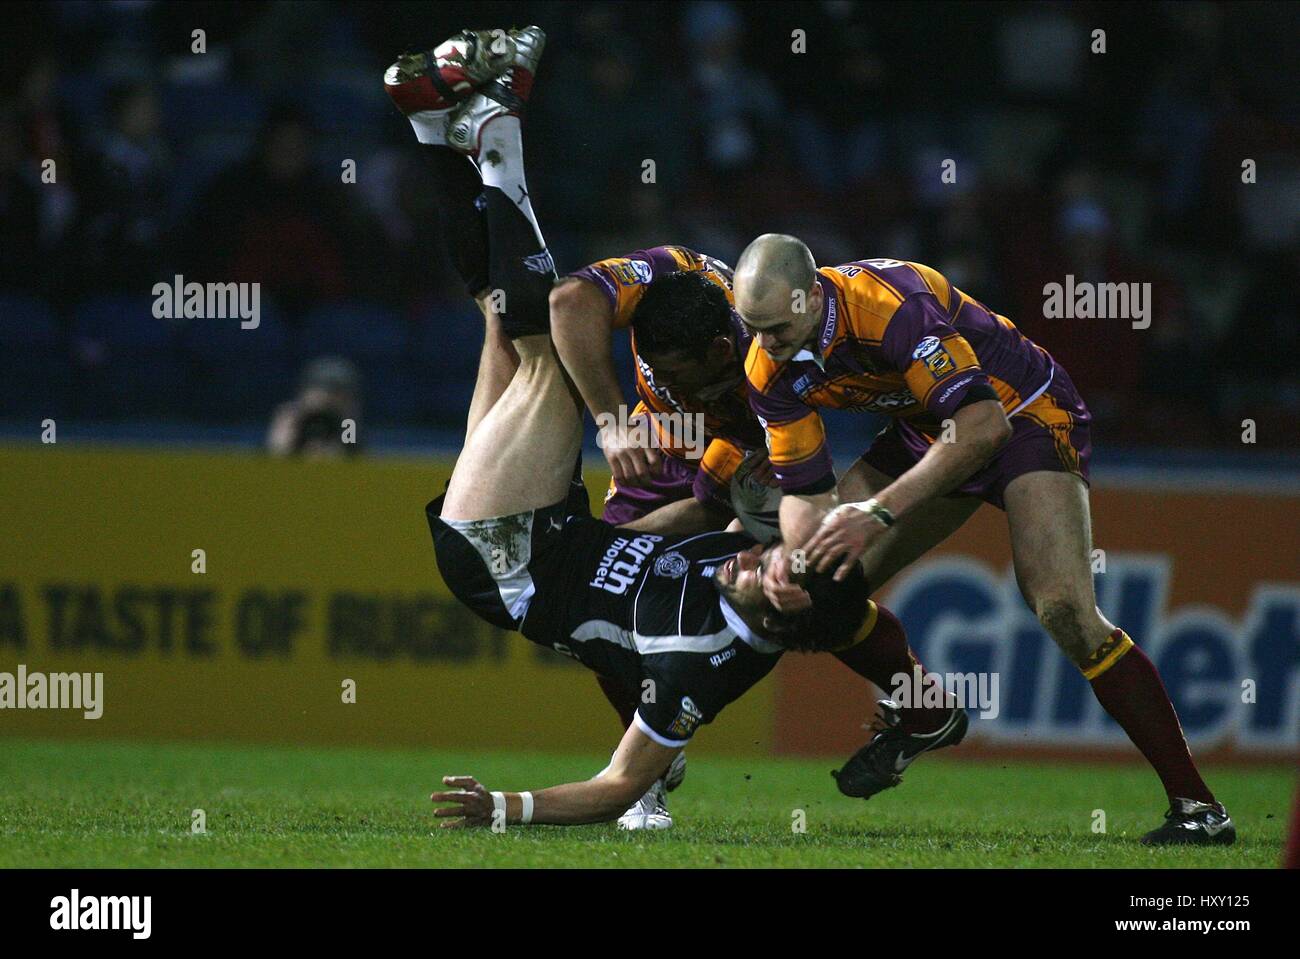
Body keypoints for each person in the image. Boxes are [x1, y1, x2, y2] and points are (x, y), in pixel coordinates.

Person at [383, 28, 961, 830]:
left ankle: (499, 135)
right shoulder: (688, 284)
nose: (762, 559)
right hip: (550, 533)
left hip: (511, 552)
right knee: (497, 318)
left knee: (541, 355)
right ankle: (429, 129)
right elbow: (580, 308)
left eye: (774, 572)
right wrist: (626, 439)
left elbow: (609, 784)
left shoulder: (698, 660)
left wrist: (510, 806)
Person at [732, 234, 1234, 845]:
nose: (765, 345)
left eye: (775, 329)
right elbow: (805, 498)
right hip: (925, 434)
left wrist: (878, 513)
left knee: (1064, 609)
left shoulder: (891, 305)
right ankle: (924, 711)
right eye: (751, 328)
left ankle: (1198, 808)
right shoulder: (767, 365)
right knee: (821, 588)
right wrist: (794, 559)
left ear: (812, 298)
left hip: (1022, 414)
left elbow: (981, 426)